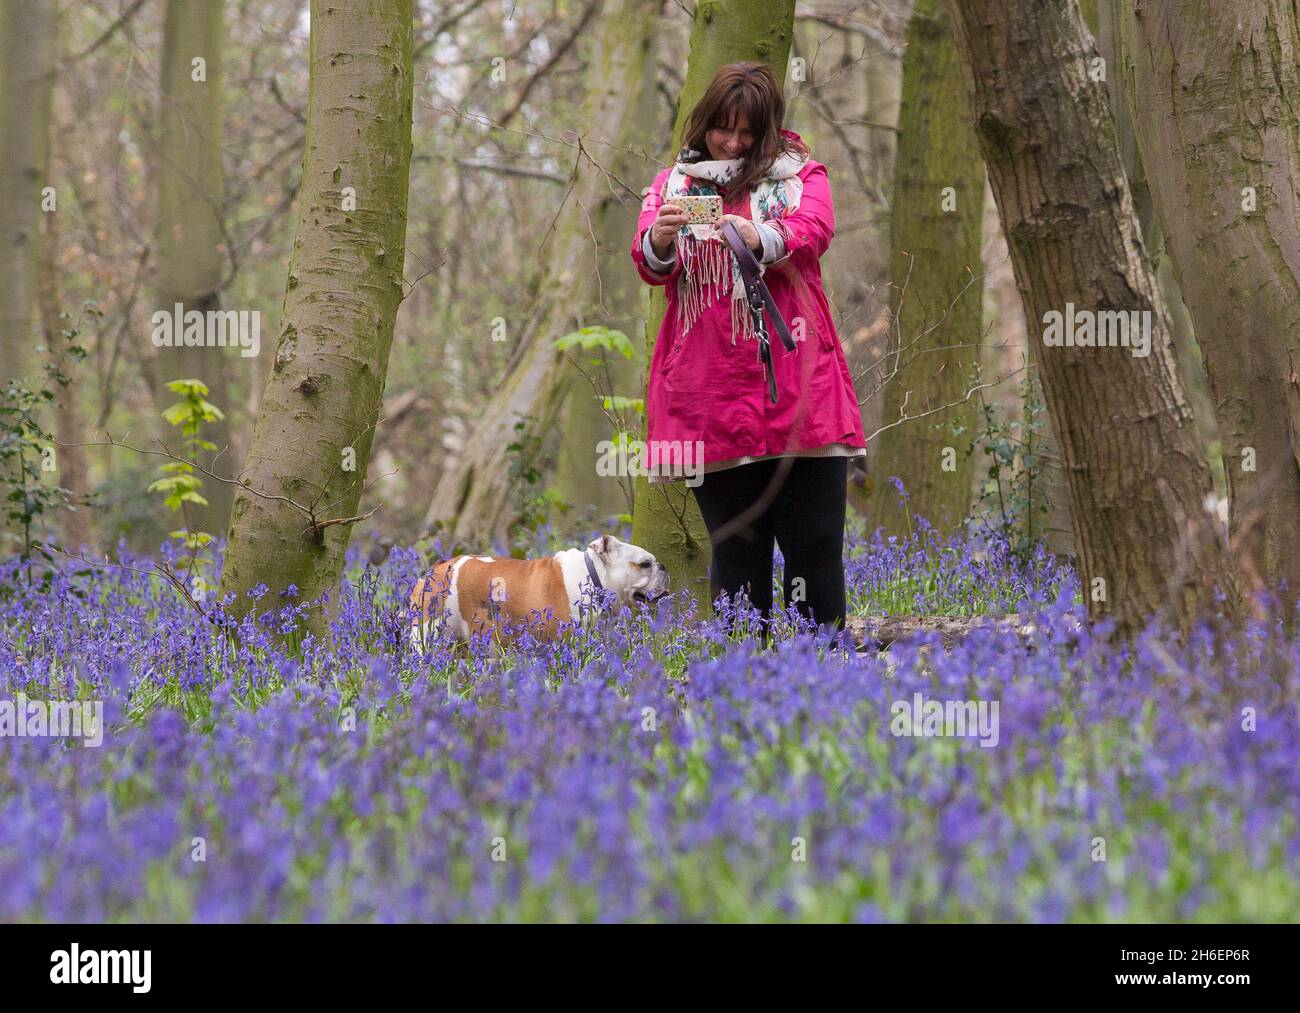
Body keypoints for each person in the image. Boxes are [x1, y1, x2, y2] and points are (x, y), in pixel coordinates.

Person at [629, 61, 866, 642]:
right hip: (709, 397)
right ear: (704, 123)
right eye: (722, 129)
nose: (732, 143)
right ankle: (743, 694)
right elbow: (651, 266)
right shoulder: (670, 187)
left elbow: (816, 229)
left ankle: (823, 684)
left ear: (767, 132)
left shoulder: (804, 177)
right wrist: (660, 238)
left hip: (803, 390)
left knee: (814, 549)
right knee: (737, 557)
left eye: (746, 133)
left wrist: (760, 236)